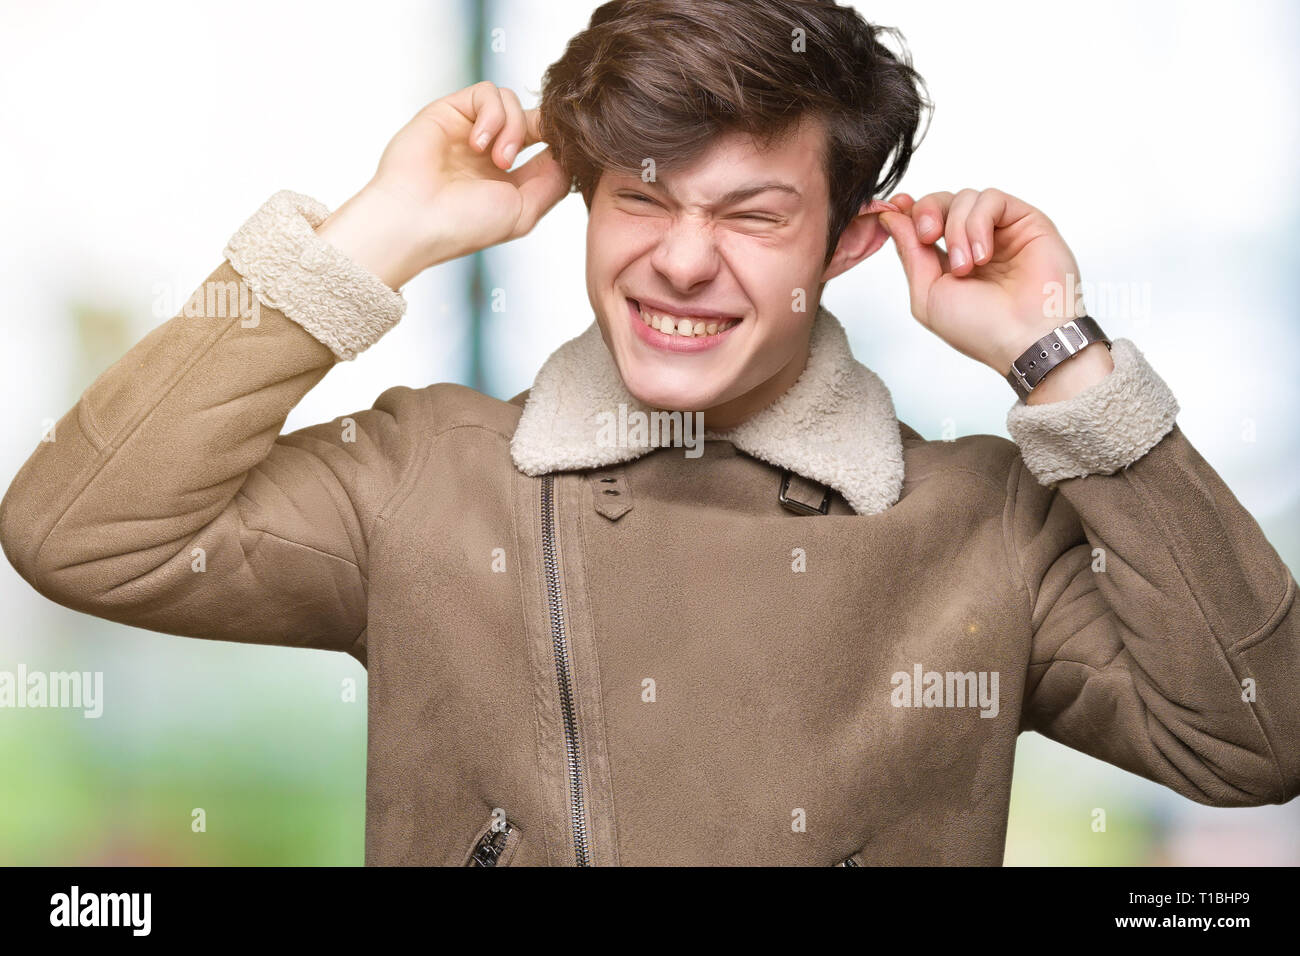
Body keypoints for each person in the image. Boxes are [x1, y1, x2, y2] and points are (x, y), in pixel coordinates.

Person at [2, 0, 1297, 867]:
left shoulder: (983, 523)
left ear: (848, 244)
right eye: (641, 198)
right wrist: (377, 233)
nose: (681, 261)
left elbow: (1257, 742)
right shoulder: (426, 473)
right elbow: (78, 531)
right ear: (584, 202)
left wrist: (1063, 364)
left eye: (752, 216)